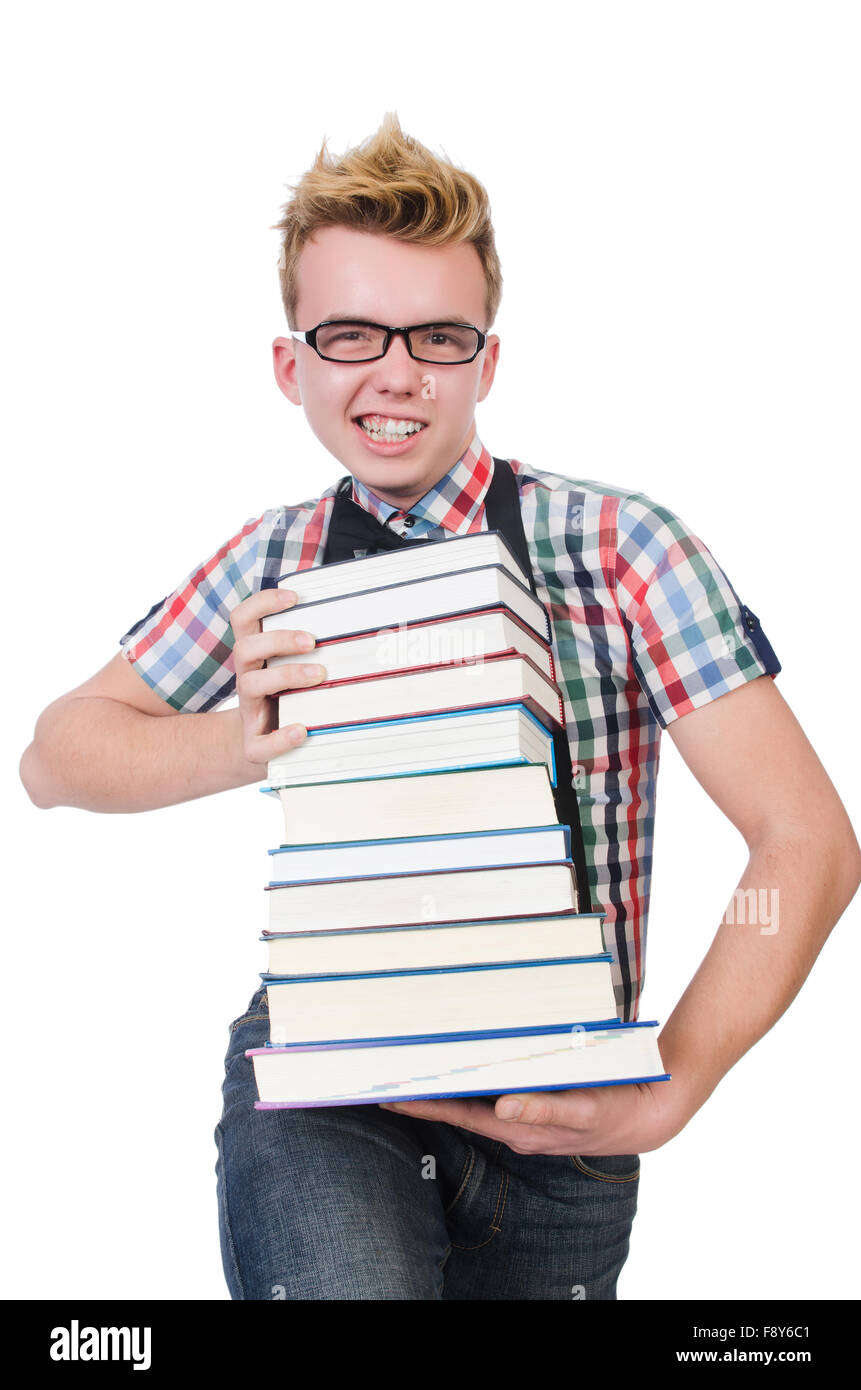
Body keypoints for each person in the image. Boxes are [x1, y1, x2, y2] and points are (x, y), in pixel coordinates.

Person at [19, 113, 861, 1301]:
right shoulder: (272, 558)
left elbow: (803, 843)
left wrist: (678, 1072)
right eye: (352, 333)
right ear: (291, 364)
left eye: (438, 335)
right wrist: (238, 739)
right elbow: (54, 755)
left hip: (569, 1120)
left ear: (486, 362)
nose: (396, 372)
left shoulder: (620, 547)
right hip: (327, 1091)